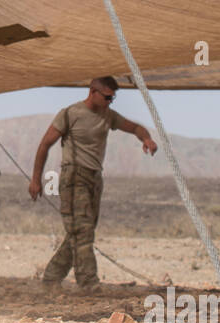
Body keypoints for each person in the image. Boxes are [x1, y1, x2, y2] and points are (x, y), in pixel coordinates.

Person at [29, 77, 156, 291]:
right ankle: (88, 282)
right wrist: (35, 179)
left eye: (112, 98)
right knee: (83, 231)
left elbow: (134, 127)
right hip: (73, 176)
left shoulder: (108, 116)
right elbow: (44, 145)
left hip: (95, 177)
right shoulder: (70, 114)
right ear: (93, 92)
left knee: (80, 231)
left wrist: (146, 139)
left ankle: (51, 278)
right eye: (107, 97)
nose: (110, 101)